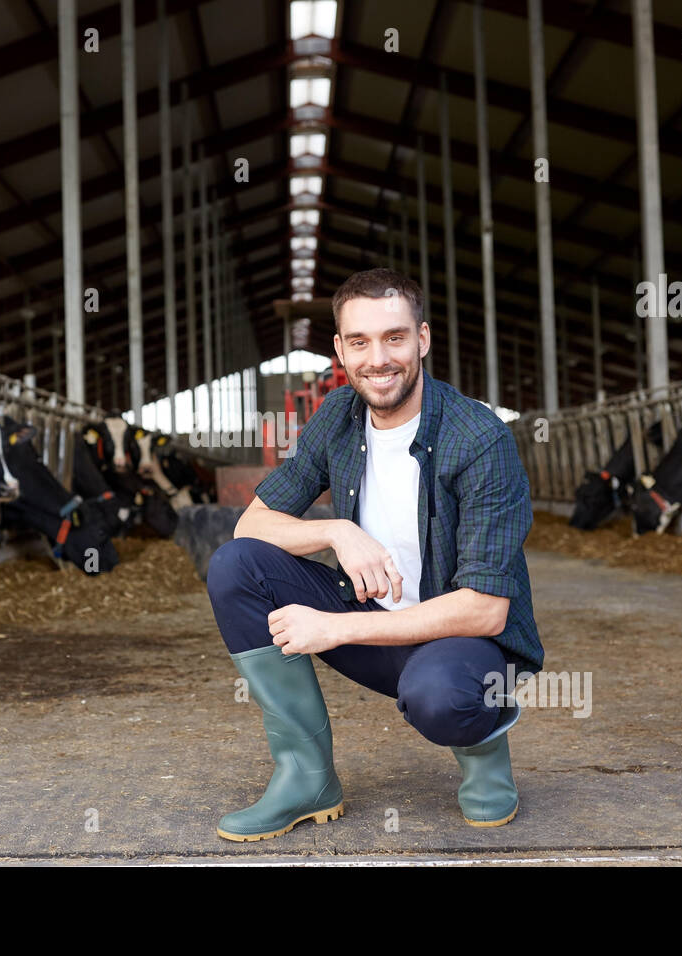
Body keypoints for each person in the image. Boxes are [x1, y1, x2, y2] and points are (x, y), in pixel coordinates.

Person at [206, 267, 542, 842]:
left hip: (464, 648)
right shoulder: (337, 417)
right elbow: (251, 525)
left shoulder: (479, 437)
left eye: (395, 338)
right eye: (359, 342)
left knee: (441, 695)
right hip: (374, 621)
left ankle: (486, 758)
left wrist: (334, 630)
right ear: (339, 348)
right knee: (236, 567)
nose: (378, 359)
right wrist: (336, 531)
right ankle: (305, 778)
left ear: (423, 340)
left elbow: (487, 610)